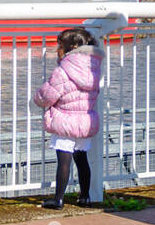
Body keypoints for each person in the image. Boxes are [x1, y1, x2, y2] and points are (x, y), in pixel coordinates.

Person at [32, 27, 104, 209]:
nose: (57, 50)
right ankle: (85, 196)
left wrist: (36, 98)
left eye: (60, 46)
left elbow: (47, 96)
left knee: (63, 161)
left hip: (65, 120)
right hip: (85, 120)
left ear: (71, 47)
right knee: (82, 159)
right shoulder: (94, 69)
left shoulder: (63, 71)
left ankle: (58, 199)